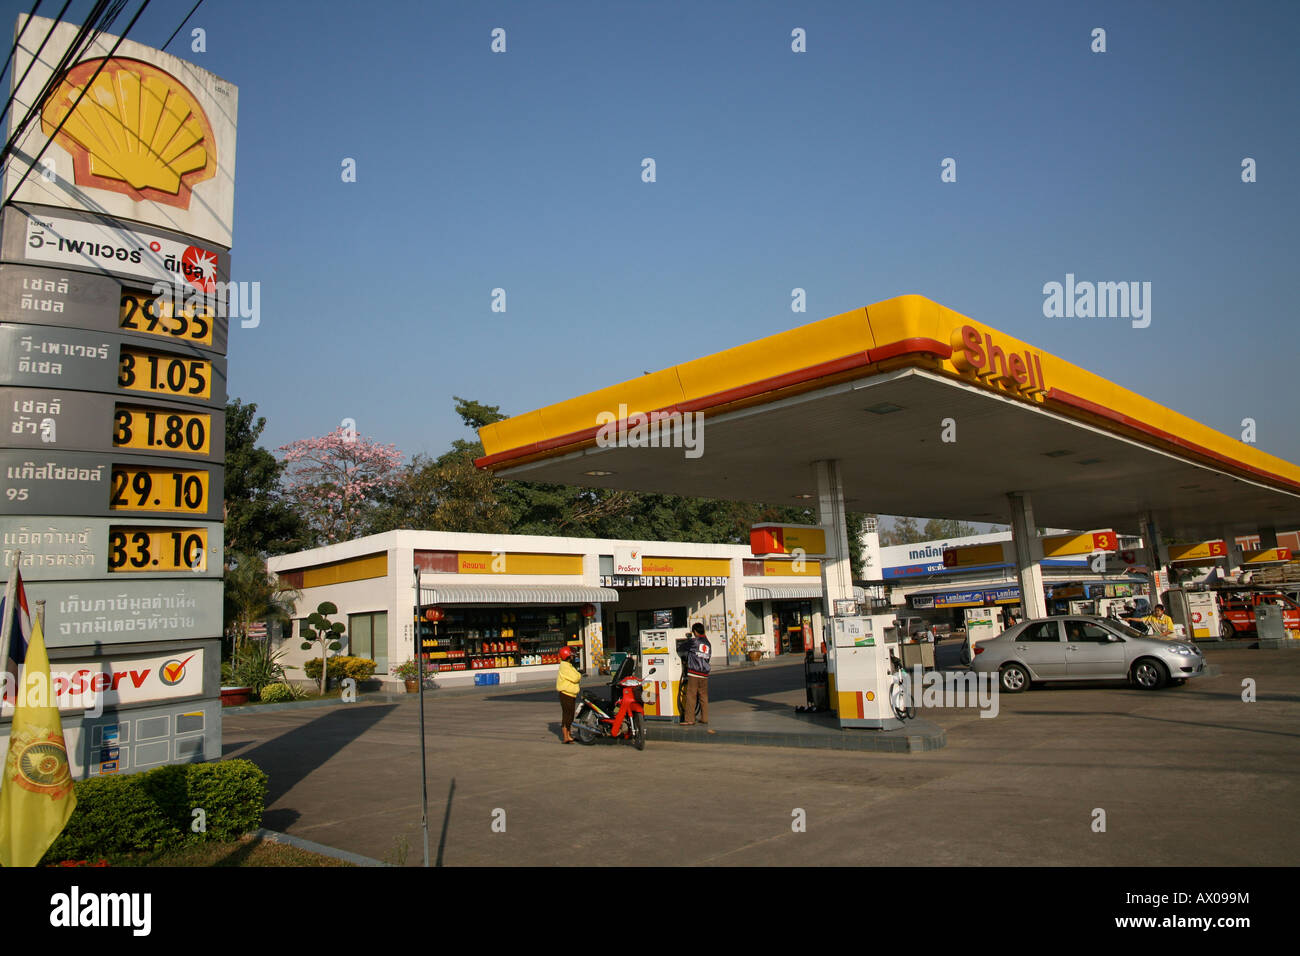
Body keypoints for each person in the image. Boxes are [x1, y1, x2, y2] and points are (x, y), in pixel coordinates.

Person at [681, 622, 714, 732]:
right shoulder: (708, 643)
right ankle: (704, 718)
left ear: (695, 631)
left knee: (691, 695)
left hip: (694, 672)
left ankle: (690, 719)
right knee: (703, 696)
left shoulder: (694, 641)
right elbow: (708, 658)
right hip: (704, 673)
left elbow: (681, 647)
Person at [556, 646, 581, 744]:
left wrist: (578, 675)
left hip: (571, 694)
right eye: (571, 655)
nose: (573, 657)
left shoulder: (568, 665)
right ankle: (566, 736)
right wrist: (578, 676)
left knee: (570, 715)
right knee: (567, 715)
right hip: (566, 694)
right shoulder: (564, 666)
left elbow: (577, 675)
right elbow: (576, 677)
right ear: (567, 656)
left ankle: (569, 735)